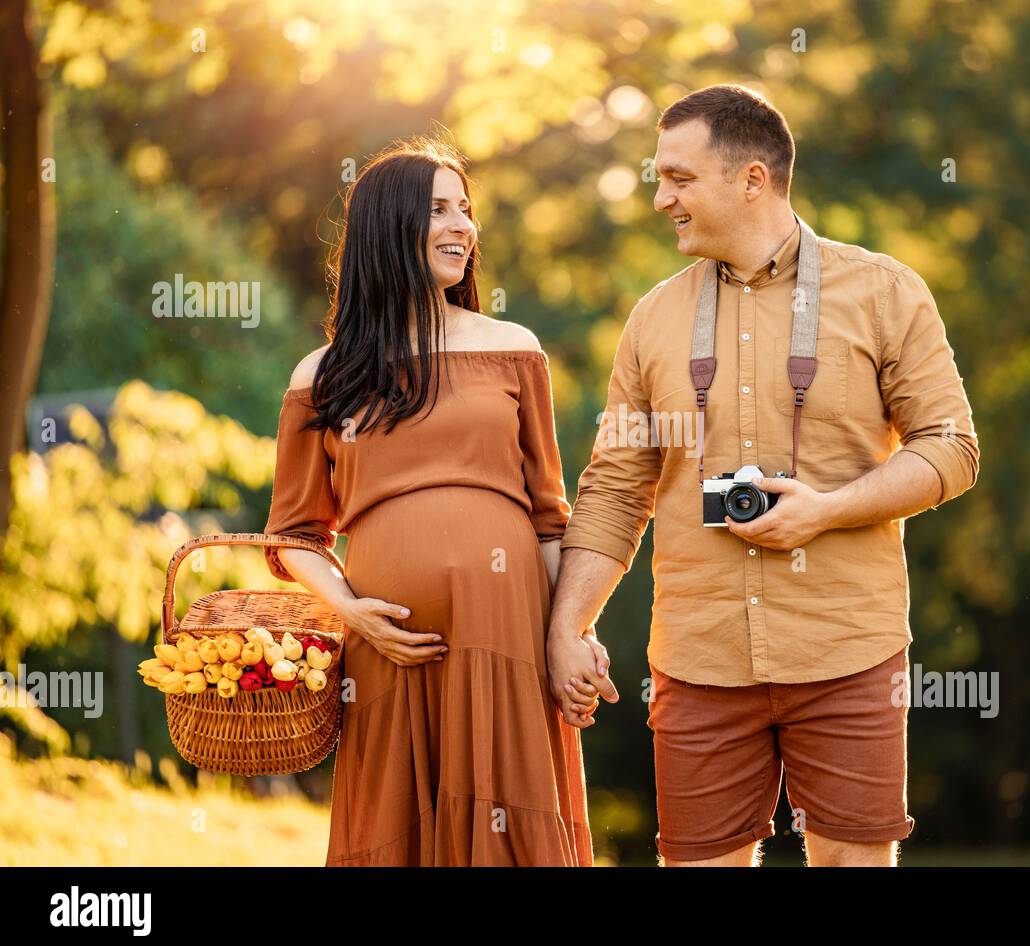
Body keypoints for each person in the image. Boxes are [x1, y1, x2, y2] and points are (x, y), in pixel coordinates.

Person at [547, 85, 980, 867]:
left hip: (847, 649)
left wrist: (827, 510)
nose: (660, 199)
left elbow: (951, 449)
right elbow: (613, 489)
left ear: (752, 179)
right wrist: (566, 628)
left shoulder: (884, 291)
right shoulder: (651, 320)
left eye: (678, 179)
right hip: (698, 657)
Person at [263, 136, 597, 866]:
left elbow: (549, 518)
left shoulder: (513, 347)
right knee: (398, 829)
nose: (462, 226)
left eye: (465, 209)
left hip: (507, 634)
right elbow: (293, 534)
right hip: (390, 647)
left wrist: (569, 631)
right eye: (439, 209)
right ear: (390, 226)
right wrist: (348, 611)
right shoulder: (323, 375)